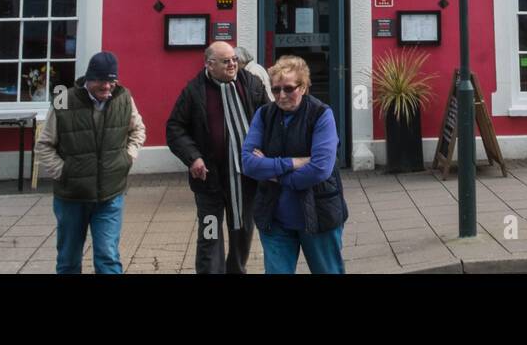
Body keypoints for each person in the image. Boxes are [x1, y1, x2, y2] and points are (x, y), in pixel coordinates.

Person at [34, 51, 145, 273]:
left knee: (108, 257)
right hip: (72, 197)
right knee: (68, 259)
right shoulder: (64, 100)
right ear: (88, 79)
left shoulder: (124, 98)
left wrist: (127, 158)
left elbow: (138, 130)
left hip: (110, 194)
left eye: (111, 81)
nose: (107, 87)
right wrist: (64, 172)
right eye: (101, 81)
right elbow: (44, 145)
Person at [166, 41, 268, 274]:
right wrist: (193, 158)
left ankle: (236, 269)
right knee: (210, 234)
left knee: (242, 231)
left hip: (246, 178)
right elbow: (175, 128)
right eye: (226, 61)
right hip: (210, 181)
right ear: (209, 65)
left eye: (233, 59)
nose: (232, 64)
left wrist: (265, 151)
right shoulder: (193, 91)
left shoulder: (251, 83)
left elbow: (268, 118)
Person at [241, 55, 348, 274]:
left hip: (318, 214)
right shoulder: (264, 115)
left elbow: (319, 169)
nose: (281, 95)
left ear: (304, 86)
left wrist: (275, 174)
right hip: (274, 216)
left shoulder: (321, 114)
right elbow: (249, 163)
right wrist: (293, 162)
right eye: (276, 89)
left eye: (288, 89)